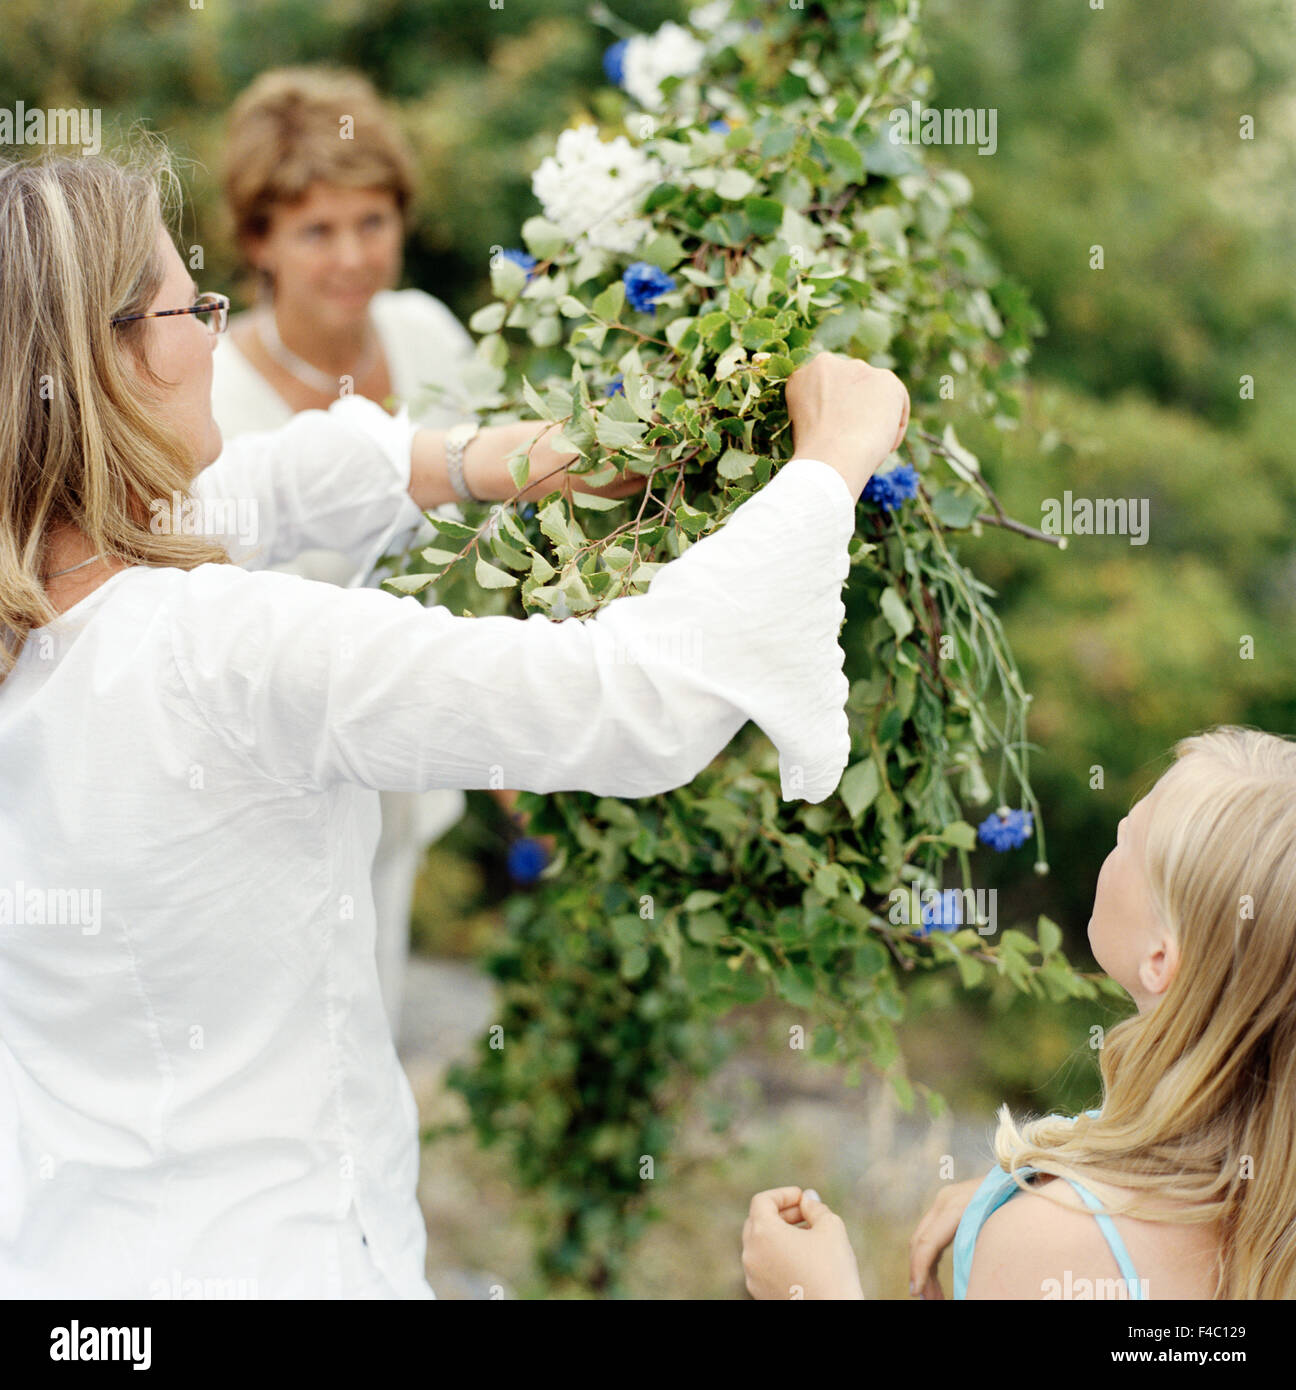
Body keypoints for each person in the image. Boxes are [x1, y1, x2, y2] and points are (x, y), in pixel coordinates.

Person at [0, 143, 909, 1298]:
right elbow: (628, 700)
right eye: (195, 306)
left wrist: (490, 461)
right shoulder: (227, 650)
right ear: (111, 358)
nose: (218, 334)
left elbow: (263, 488)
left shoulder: (34, 602)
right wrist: (829, 464)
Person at [741, 726, 1296, 1300]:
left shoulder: (1050, 1244)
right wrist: (1015, 1194)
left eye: (1126, 840)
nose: (1114, 842)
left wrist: (814, 1291)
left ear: (1160, 956)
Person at [211, 67, 532, 1041]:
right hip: (271, 798)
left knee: (371, 1027)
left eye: (372, 221)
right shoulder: (218, 398)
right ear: (258, 240)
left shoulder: (427, 337)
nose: (352, 255)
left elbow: (496, 541)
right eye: (317, 230)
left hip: (403, 768)